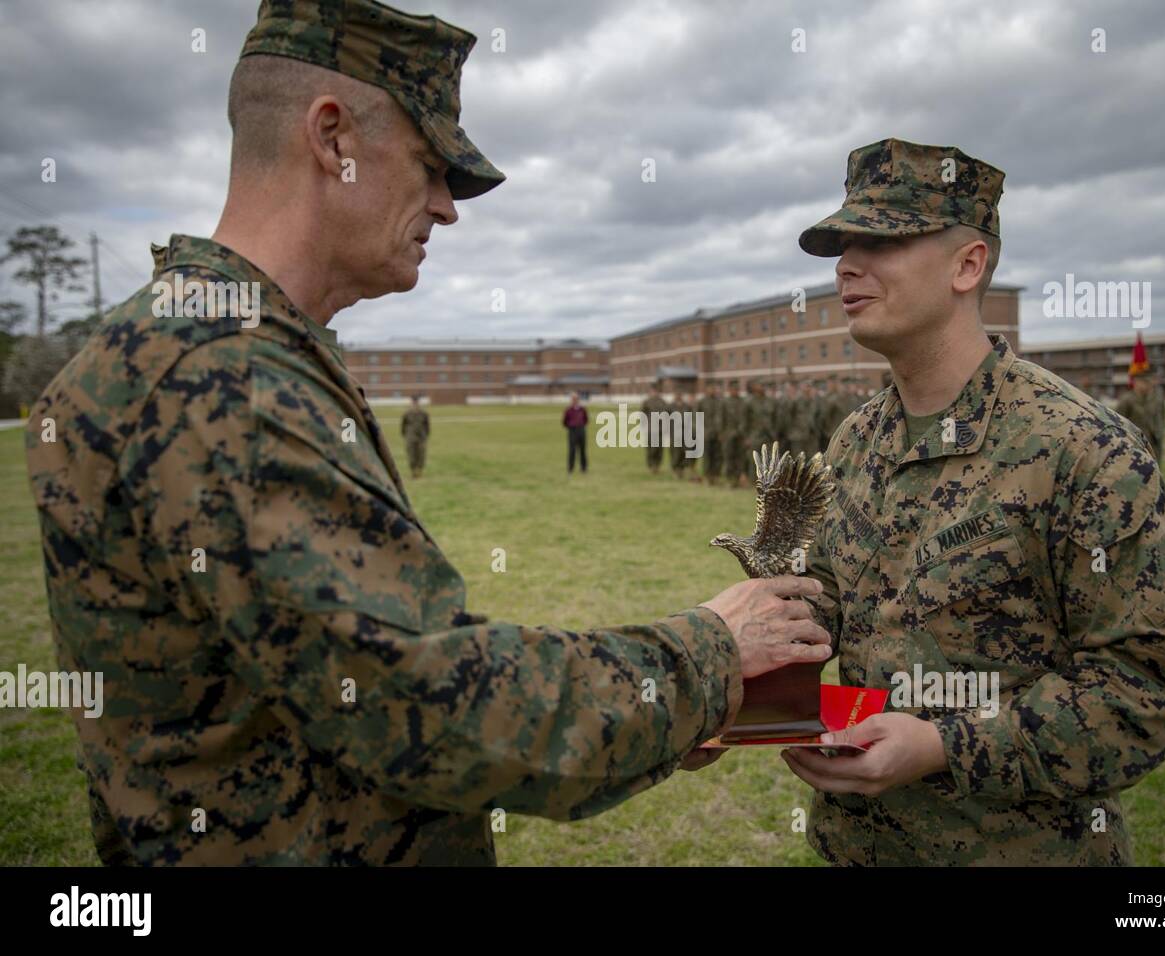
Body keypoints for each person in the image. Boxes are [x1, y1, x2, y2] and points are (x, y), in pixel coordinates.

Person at [24, 0, 831, 866]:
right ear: (332, 139)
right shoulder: (223, 378)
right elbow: (429, 700)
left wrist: (661, 720)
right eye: (430, 166)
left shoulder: (210, 346)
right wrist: (709, 653)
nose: (447, 207)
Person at [774, 137, 1165, 865]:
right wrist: (742, 686)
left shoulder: (1083, 449)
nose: (847, 266)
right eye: (843, 245)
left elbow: (1148, 690)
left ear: (967, 265)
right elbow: (832, 599)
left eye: (880, 240)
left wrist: (945, 746)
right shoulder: (855, 439)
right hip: (857, 846)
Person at [1114, 338, 1165, 463]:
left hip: (1154, 444)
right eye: (1144, 382)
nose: (1148, 385)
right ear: (1136, 382)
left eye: (1149, 382)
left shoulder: (1157, 398)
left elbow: (1162, 418)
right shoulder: (1127, 400)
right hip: (1135, 445)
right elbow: (1118, 423)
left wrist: (1160, 433)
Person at [698, 381, 724, 485]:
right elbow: (696, 418)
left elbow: (723, 418)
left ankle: (716, 475)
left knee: (718, 456)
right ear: (706, 390)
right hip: (706, 433)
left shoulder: (720, 402)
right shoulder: (702, 402)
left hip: (718, 434)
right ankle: (708, 476)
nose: (713, 390)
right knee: (707, 456)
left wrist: (721, 432)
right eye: (710, 388)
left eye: (714, 388)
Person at [641, 381, 668, 474]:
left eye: (656, 391)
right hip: (651, 429)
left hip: (660, 429)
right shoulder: (647, 402)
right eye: (653, 390)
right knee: (651, 449)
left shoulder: (663, 402)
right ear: (650, 391)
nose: (654, 392)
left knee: (659, 449)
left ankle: (657, 466)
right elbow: (642, 415)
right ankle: (651, 465)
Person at [401, 394, 430, 477]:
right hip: (410, 437)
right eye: (413, 402)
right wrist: (406, 435)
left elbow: (427, 426)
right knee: (411, 454)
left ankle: (420, 471)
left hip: (421, 437)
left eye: (416, 402)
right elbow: (403, 426)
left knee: (421, 454)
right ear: (411, 403)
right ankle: (413, 471)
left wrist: (425, 435)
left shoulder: (424, 414)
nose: (415, 404)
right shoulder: (406, 414)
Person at [562, 392, 588, 474]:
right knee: (572, 450)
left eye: (576, 399)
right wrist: (571, 426)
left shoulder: (582, 409)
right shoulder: (568, 410)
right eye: (573, 399)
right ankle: (570, 468)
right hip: (572, 431)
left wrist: (581, 426)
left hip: (581, 430)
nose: (575, 400)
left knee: (582, 450)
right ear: (571, 400)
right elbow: (564, 421)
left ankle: (583, 468)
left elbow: (586, 419)